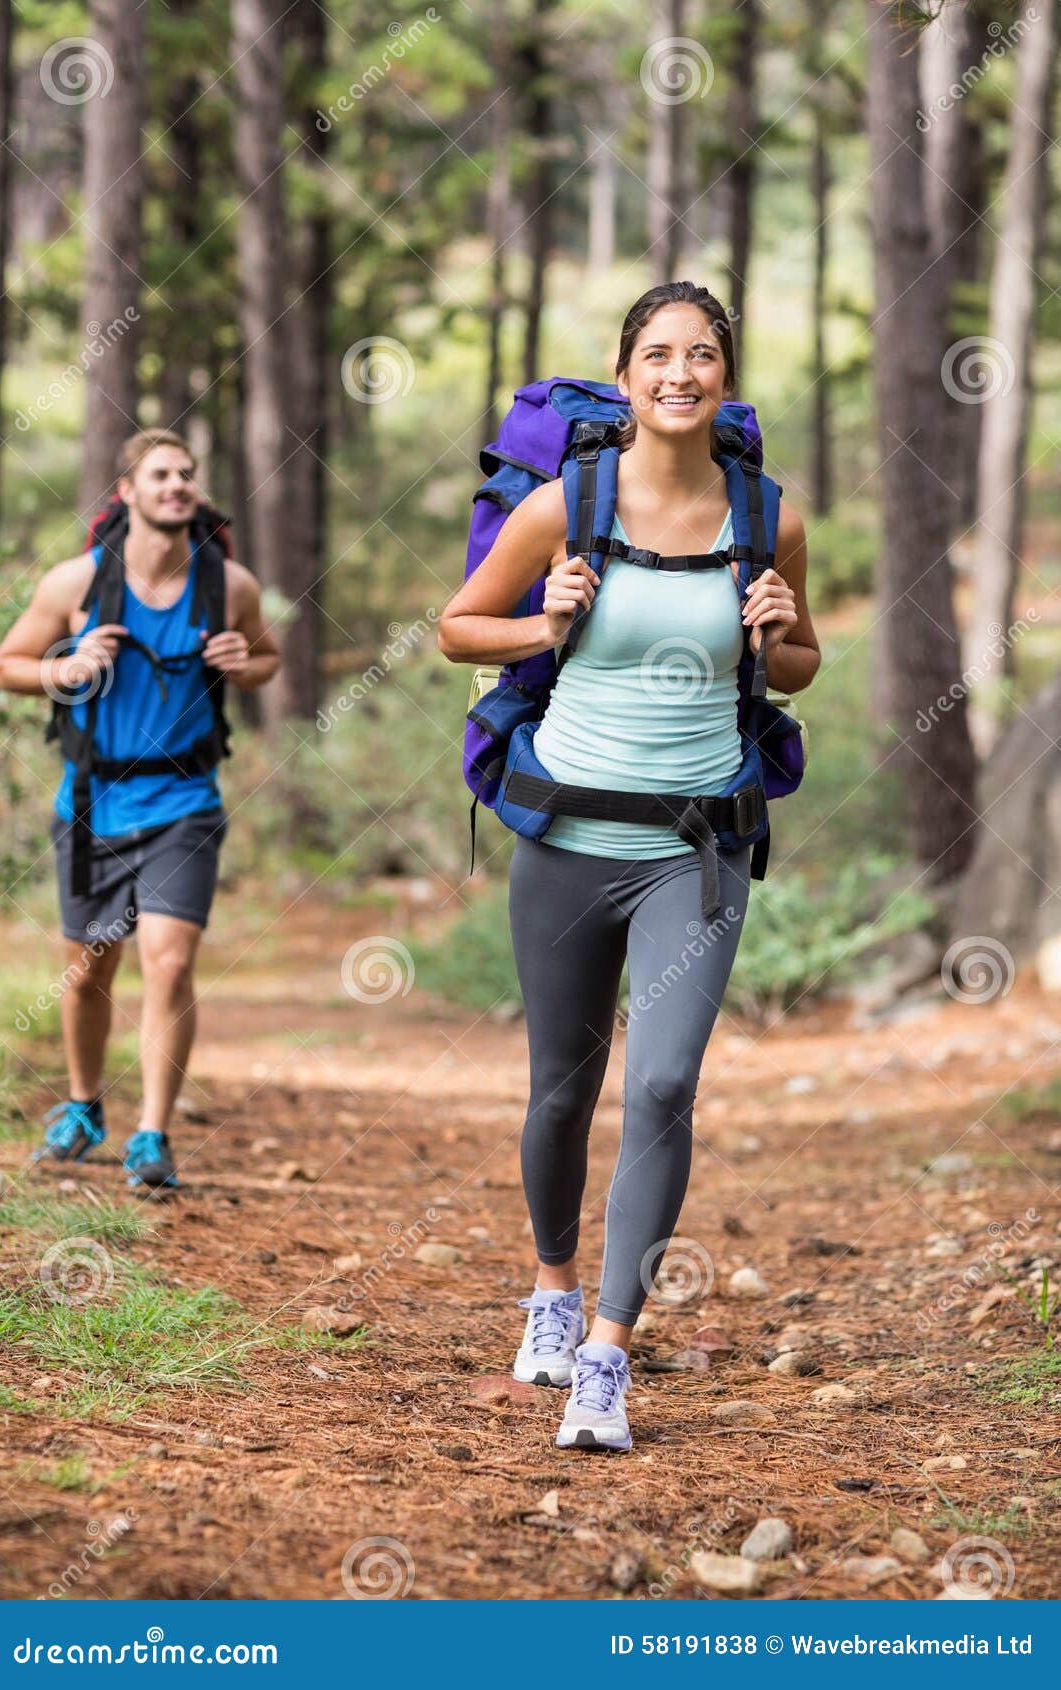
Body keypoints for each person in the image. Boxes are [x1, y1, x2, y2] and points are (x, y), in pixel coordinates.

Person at [438, 282, 820, 1450]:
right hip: (563, 839)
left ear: (725, 375)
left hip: (693, 849)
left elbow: (799, 664)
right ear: (623, 373)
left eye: (701, 354)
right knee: (562, 1088)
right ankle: (551, 1288)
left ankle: (607, 1351)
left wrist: (777, 633)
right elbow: (459, 625)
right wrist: (540, 622)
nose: (679, 373)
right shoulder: (565, 502)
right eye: (657, 353)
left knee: (659, 1085)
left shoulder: (766, 513)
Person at [0, 428, 280, 1192]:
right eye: (160, 475)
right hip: (92, 802)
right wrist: (68, 665)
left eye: (186, 474)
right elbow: (7, 665)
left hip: (186, 800)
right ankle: (85, 1107)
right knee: (89, 974)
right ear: (126, 491)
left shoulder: (230, 584)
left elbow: (267, 659)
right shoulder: (76, 583)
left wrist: (241, 664)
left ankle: (152, 1134)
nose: (176, 485)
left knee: (170, 962)